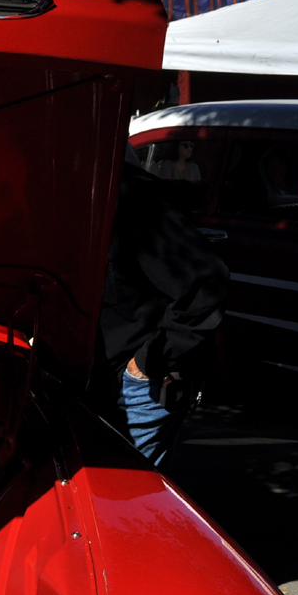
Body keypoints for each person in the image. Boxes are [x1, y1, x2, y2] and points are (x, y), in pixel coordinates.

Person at [92, 151, 227, 463]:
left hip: (137, 384)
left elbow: (207, 287)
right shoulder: (62, 194)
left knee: (124, 494)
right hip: (87, 380)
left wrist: (145, 363)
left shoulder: (135, 198)